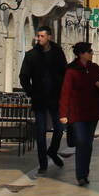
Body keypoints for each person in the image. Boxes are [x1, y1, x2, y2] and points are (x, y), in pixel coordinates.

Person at [19, 26, 68, 174]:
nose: (38, 38)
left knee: (59, 128)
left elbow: (65, 72)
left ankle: (52, 151)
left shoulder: (58, 53)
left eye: (41, 36)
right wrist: (31, 92)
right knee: (40, 132)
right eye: (38, 36)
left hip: (55, 97)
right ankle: (43, 163)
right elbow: (24, 77)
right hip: (39, 98)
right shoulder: (31, 55)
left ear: (49, 37)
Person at [59, 42, 99, 185]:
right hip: (76, 113)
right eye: (89, 51)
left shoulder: (95, 67)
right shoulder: (71, 71)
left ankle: (85, 173)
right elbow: (65, 93)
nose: (92, 53)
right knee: (80, 142)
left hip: (92, 111)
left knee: (88, 143)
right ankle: (80, 175)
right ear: (81, 54)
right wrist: (63, 114)